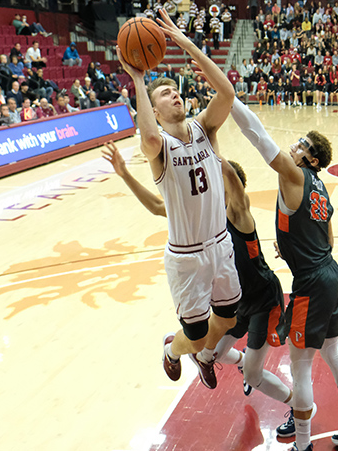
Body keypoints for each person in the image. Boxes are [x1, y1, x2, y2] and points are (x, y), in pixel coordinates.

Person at [101, 141, 298, 435]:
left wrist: (210, 154)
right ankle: (232, 360)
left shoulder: (238, 215)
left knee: (255, 376)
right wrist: (125, 173)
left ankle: (298, 407)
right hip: (233, 301)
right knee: (209, 353)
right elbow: (157, 206)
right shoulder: (199, 217)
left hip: (262, 301)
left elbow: (233, 184)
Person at [228, 97, 338, 451]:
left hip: (312, 282)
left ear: (312, 160)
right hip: (330, 273)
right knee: (332, 352)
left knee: (300, 366)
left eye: (303, 145)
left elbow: (257, 135)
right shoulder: (320, 187)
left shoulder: (294, 174)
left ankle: (302, 445)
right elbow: (329, 238)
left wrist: (227, 97)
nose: (295, 145)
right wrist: (295, 245)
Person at [118, 7, 241, 390]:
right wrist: (139, 79)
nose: (175, 95)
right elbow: (149, 137)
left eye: (176, 91)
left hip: (220, 244)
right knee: (199, 332)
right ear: (154, 110)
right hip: (186, 256)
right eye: (165, 94)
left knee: (231, 316)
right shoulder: (160, 146)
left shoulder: (204, 128)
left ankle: (203, 356)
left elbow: (228, 93)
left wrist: (183, 41)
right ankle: (174, 350)